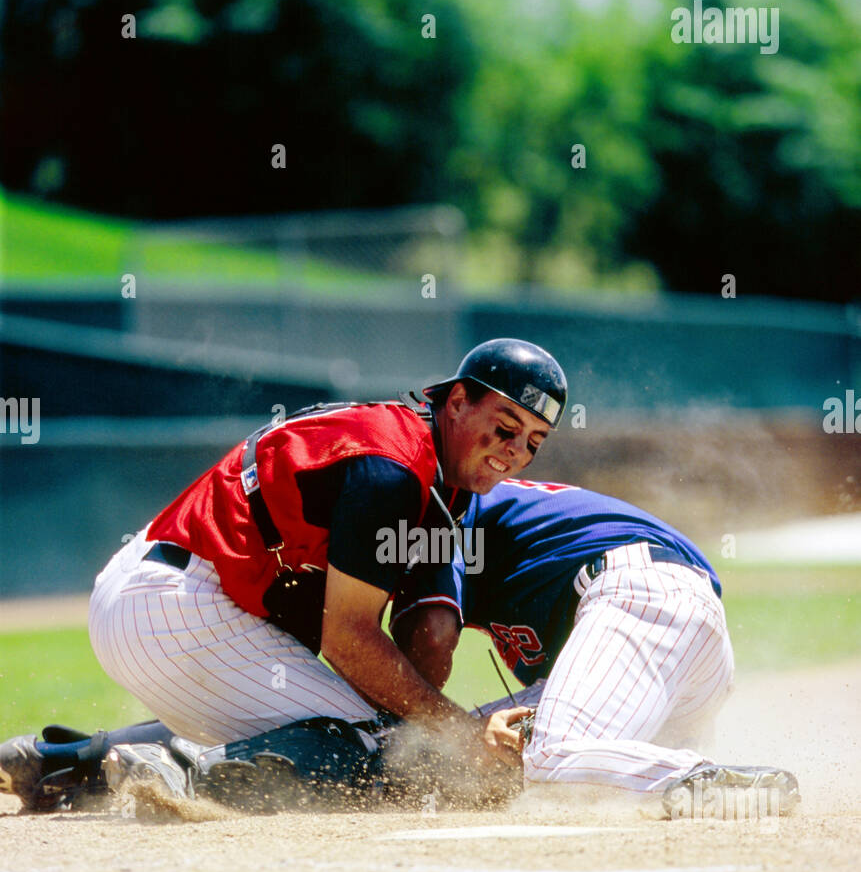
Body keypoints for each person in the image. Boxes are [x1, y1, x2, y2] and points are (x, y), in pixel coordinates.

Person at [0, 340, 568, 813]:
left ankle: (58, 766)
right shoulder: (392, 468)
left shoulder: (435, 477)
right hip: (178, 605)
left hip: (181, 601)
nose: (515, 451)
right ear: (459, 400)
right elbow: (348, 639)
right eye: (505, 426)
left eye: (532, 442)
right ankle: (175, 772)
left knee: (383, 737)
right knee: (382, 750)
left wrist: (428, 724)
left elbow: (431, 637)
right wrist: (459, 735)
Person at [391, 478, 800, 819]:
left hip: (642, 599)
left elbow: (431, 637)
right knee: (471, 758)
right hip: (679, 644)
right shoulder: (502, 518)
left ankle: (705, 779)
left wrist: (401, 724)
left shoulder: (447, 512)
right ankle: (681, 774)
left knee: (543, 754)